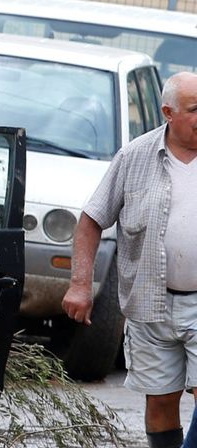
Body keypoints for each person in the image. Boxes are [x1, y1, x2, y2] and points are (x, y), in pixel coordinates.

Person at [65, 69, 197, 448]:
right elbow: (91, 220)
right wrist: (80, 285)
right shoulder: (135, 156)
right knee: (160, 402)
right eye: (194, 109)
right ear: (168, 113)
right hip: (150, 304)